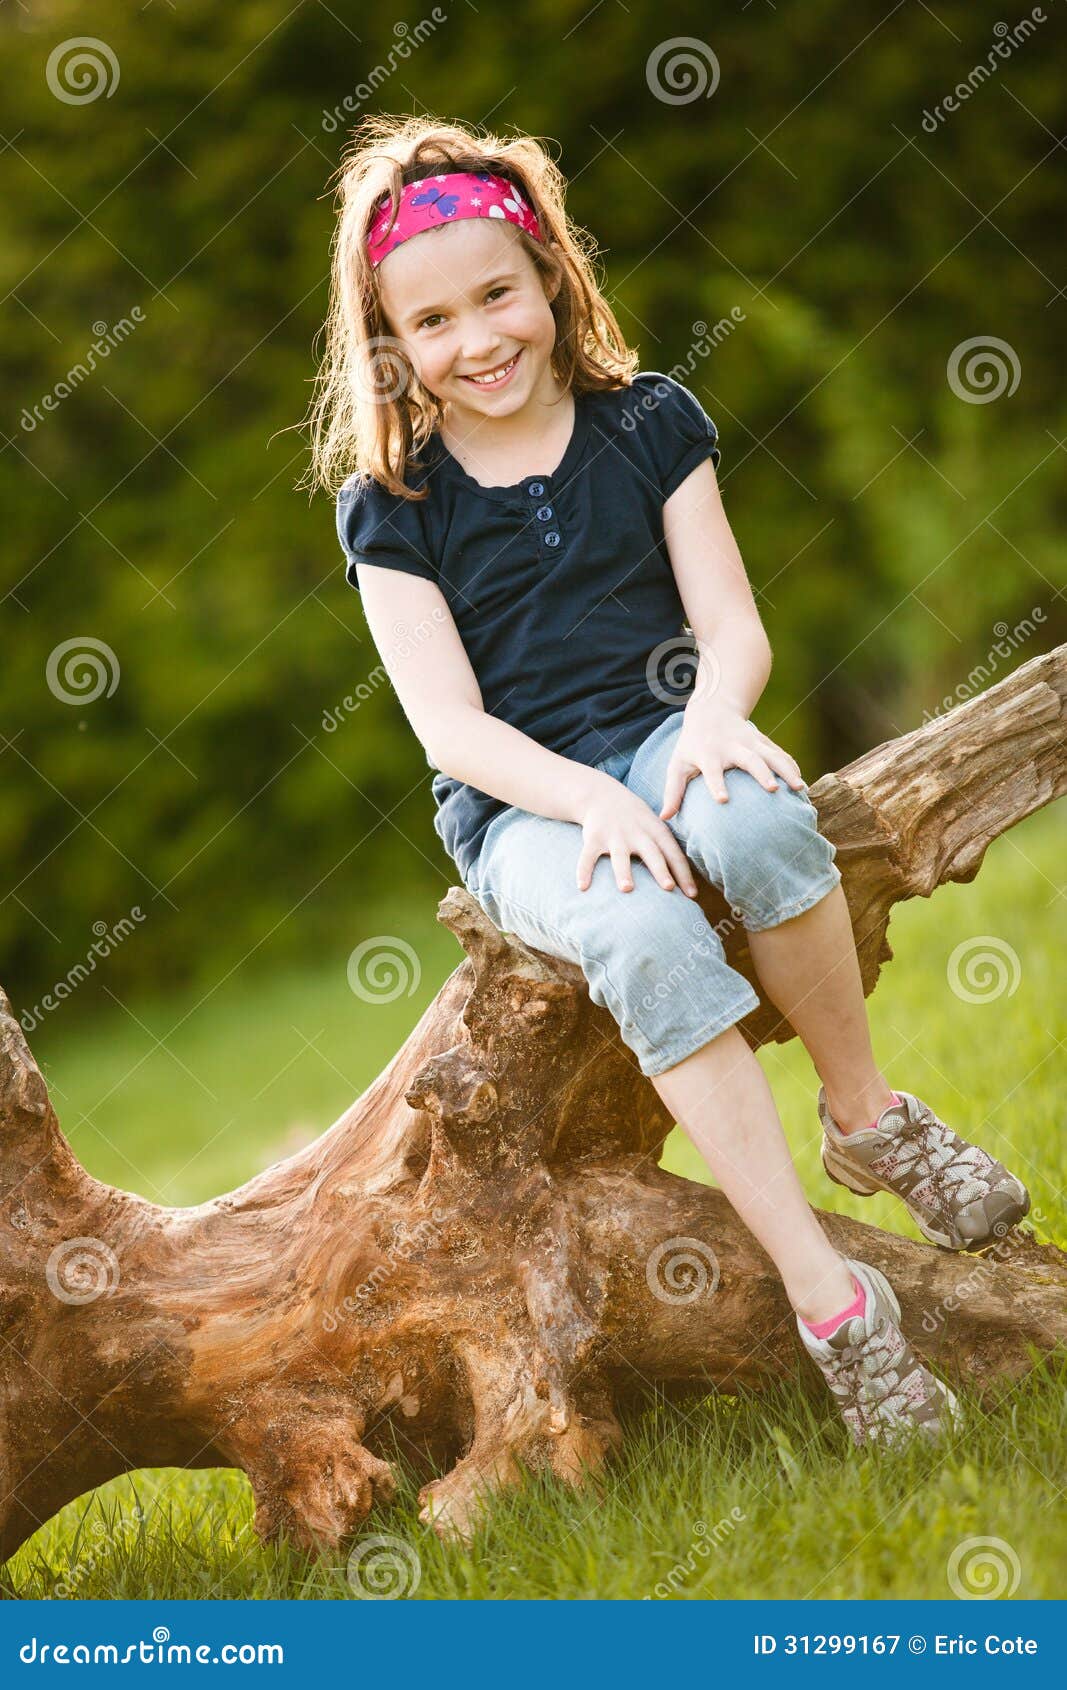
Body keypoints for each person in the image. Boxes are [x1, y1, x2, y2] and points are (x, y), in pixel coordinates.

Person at [306, 114, 1029, 1447]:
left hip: (666, 729)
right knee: (641, 930)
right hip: (523, 803)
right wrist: (592, 801)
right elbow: (450, 730)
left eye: (497, 294)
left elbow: (732, 626)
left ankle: (867, 1117)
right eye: (434, 320)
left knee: (756, 823)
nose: (479, 339)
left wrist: (705, 727)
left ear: (550, 276)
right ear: (391, 343)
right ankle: (832, 1302)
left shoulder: (648, 423)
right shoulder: (393, 505)